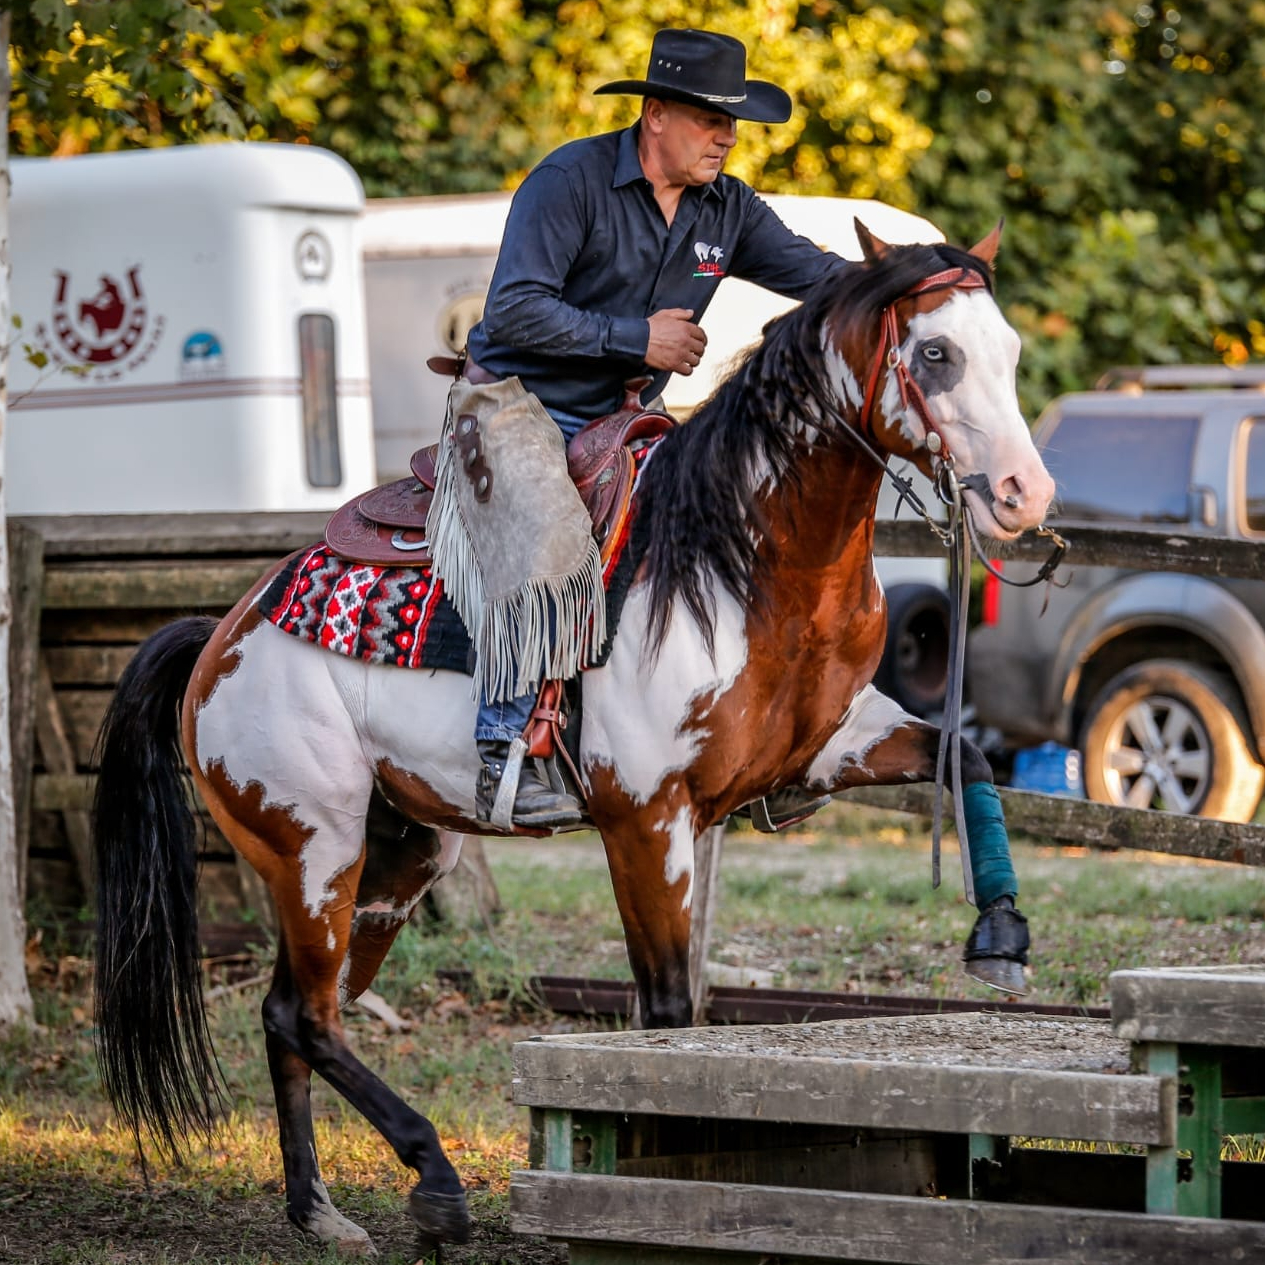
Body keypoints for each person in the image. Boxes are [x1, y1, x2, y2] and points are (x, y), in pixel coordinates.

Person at [459, 27, 853, 829]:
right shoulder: (567, 181)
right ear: (657, 115)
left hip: (625, 416)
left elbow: (819, 275)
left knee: (728, 531)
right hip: (512, 399)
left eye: (732, 122)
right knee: (548, 533)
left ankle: (747, 744)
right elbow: (513, 308)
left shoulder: (727, 208)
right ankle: (500, 751)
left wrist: (919, 281)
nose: (727, 136)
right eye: (711, 118)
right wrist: (637, 338)